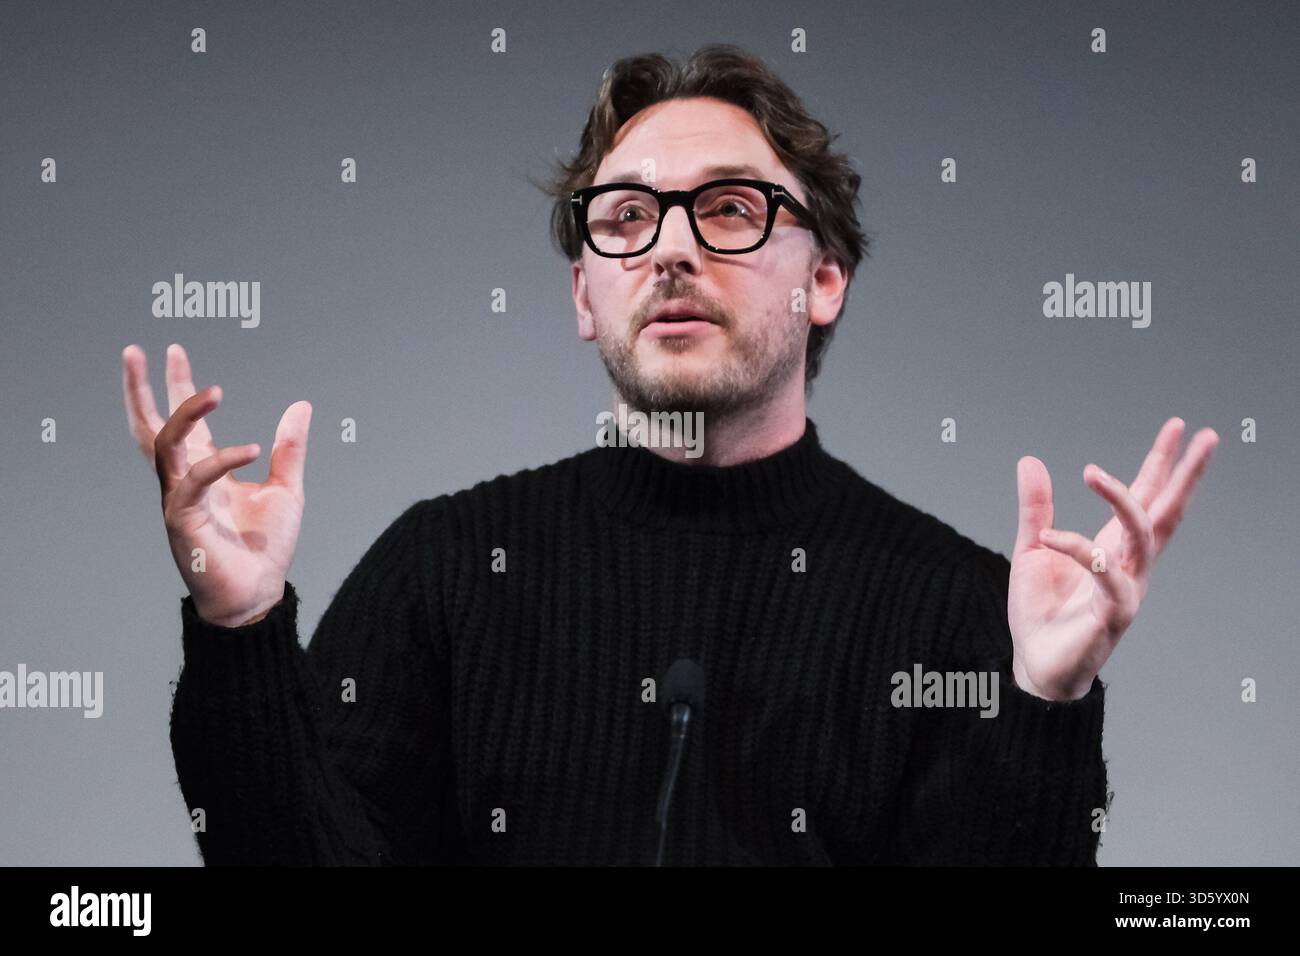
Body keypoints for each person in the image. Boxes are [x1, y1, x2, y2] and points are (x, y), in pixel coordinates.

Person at [121, 44, 1218, 866]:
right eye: (629, 216)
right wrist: (241, 631)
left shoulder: (958, 607)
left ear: (823, 277)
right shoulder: (445, 566)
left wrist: (1041, 702)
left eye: (730, 210)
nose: (674, 247)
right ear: (583, 293)